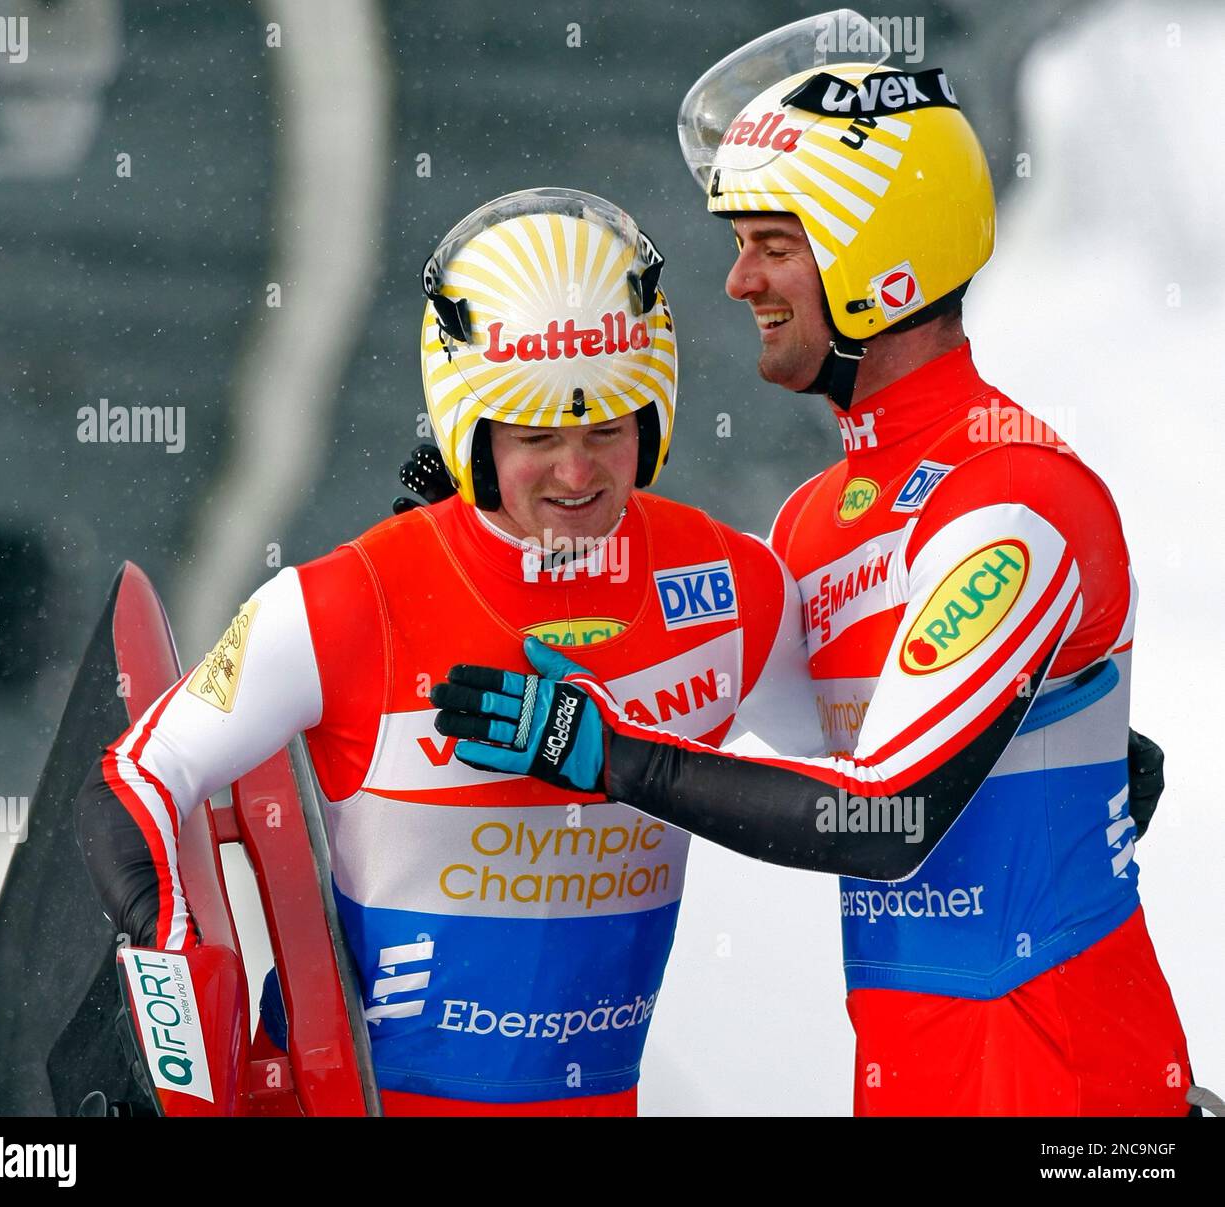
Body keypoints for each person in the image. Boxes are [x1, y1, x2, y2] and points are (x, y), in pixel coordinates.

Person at [432, 14, 1195, 1116]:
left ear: (883, 267)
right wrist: (475, 526)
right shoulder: (813, 521)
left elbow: (883, 818)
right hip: (917, 1075)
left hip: (1067, 1089)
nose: (738, 280)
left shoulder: (1011, 494)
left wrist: (611, 760)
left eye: (772, 243)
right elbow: (693, 687)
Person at [72, 187, 823, 1117]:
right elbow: (131, 778)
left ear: (656, 415)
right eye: (537, 436)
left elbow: (859, 782)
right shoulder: (343, 603)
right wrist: (172, 943)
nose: (578, 472)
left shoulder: (735, 585)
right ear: (471, 429)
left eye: (609, 428)